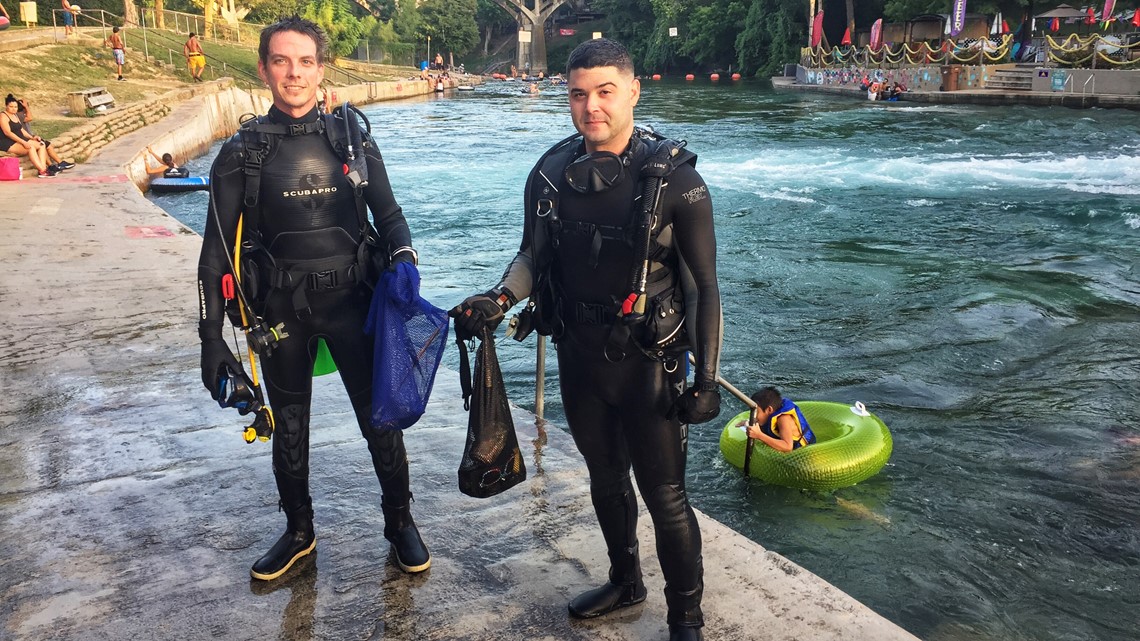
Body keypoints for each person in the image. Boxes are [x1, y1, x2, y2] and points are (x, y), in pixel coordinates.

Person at [451, 38, 722, 641]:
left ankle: (686, 620)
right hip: (579, 354)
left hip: (648, 363)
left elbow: (704, 286)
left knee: (666, 496)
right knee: (604, 475)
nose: (591, 106)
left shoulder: (677, 179)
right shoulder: (548, 173)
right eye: (578, 93)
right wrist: (497, 299)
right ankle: (625, 581)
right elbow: (532, 255)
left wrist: (705, 380)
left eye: (604, 92)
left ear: (632, 92)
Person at [196, 16, 429, 582]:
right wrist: (209, 339)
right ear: (264, 69)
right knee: (291, 425)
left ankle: (399, 521)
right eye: (281, 61)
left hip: (355, 302)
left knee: (380, 423)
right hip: (280, 313)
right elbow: (214, 255)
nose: (293, 74)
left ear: (321, 69)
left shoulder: (351, 139)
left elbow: (391, 218)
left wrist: (404, 263)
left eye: (305, 62)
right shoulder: (240, 154)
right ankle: (299, 531)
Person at [734, 387, 816, 452]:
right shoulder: (769, 415)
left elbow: (788, 447)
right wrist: (748, 422)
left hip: (805, 452)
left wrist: (759, 435)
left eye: (756, 412)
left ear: (769, 410)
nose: (754, 416)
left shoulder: (783, 419)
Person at [1, 95, 57, 177]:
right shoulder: (3, 116)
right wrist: (23, 142)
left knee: (41, 144)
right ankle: (42, 170)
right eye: (11, 107)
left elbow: (21, 130)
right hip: (7, 141)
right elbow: (7, 133)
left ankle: (43, 169)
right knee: (30, 147)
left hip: (18, 139)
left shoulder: (15, 115)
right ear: (6, 106)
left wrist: (32, 137)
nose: (14, 109)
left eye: (15, 107)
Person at [14, 96, 75, 170]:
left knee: (47, 145)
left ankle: (57, 163)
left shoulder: (20, 114)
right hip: (26, 139)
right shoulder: (19, 115)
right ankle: (52, 165)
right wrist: (26, 107)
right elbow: (30, 118)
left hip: (30, 137)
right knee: (43, 145)